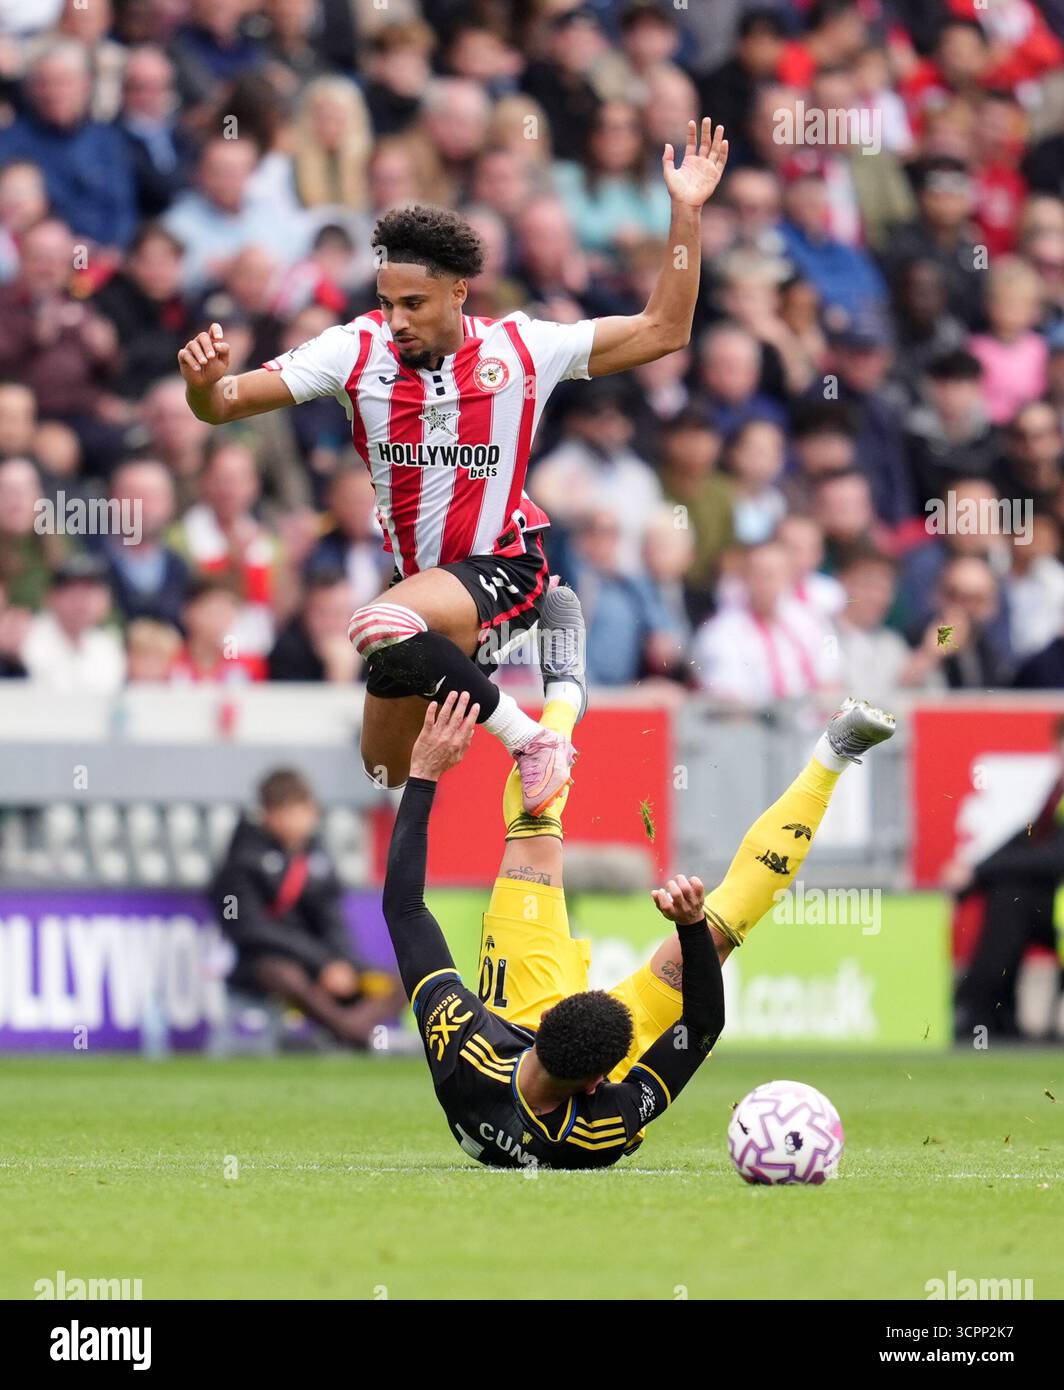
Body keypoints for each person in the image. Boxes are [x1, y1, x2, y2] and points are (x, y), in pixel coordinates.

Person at [176, 118, 731, 809]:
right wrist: (203, 384)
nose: (397, 320)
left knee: (375, 625)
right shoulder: (355, 351)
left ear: (459, 294)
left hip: (502, 562)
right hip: (423, 587)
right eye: (386, 303)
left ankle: (534, 738)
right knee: (387, 771)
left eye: (414, 304)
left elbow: (664, 330)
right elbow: (225, 404)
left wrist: (686, 213)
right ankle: (539, 667)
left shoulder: (522, 349)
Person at [381, 587, 896, 1169]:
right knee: (724, 927)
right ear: (603, 1079)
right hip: (536, 1040)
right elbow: (701, 1024)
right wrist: (698, 930)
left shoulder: (472, 1045)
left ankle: (566, 694)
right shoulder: (599, 1126)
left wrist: (421, 774)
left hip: (513, 1009)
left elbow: (406, 910)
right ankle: (833, 755)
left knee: (535, 815)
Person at [213, 767, 405, 1049]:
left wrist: (344, 964)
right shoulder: (241, 861)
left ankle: (348, 1029)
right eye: (297, 810)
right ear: (271, 813)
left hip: (321, 961)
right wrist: (322, 963)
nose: (309, 817)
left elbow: (331, 919)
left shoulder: (316, 856)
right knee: (285, 974)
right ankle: (354, 1033)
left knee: (405, 980)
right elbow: (248, 929)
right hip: (259, 964)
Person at [944, 717, 1064, 1038]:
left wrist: (979, 873)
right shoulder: (1058, 793)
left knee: (1013, 899)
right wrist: (973, 875)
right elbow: (1027, 838)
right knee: (1009, 894)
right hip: (1056, 911)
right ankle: (992, 1015)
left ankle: (980, 1012)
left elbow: (1053, 858)